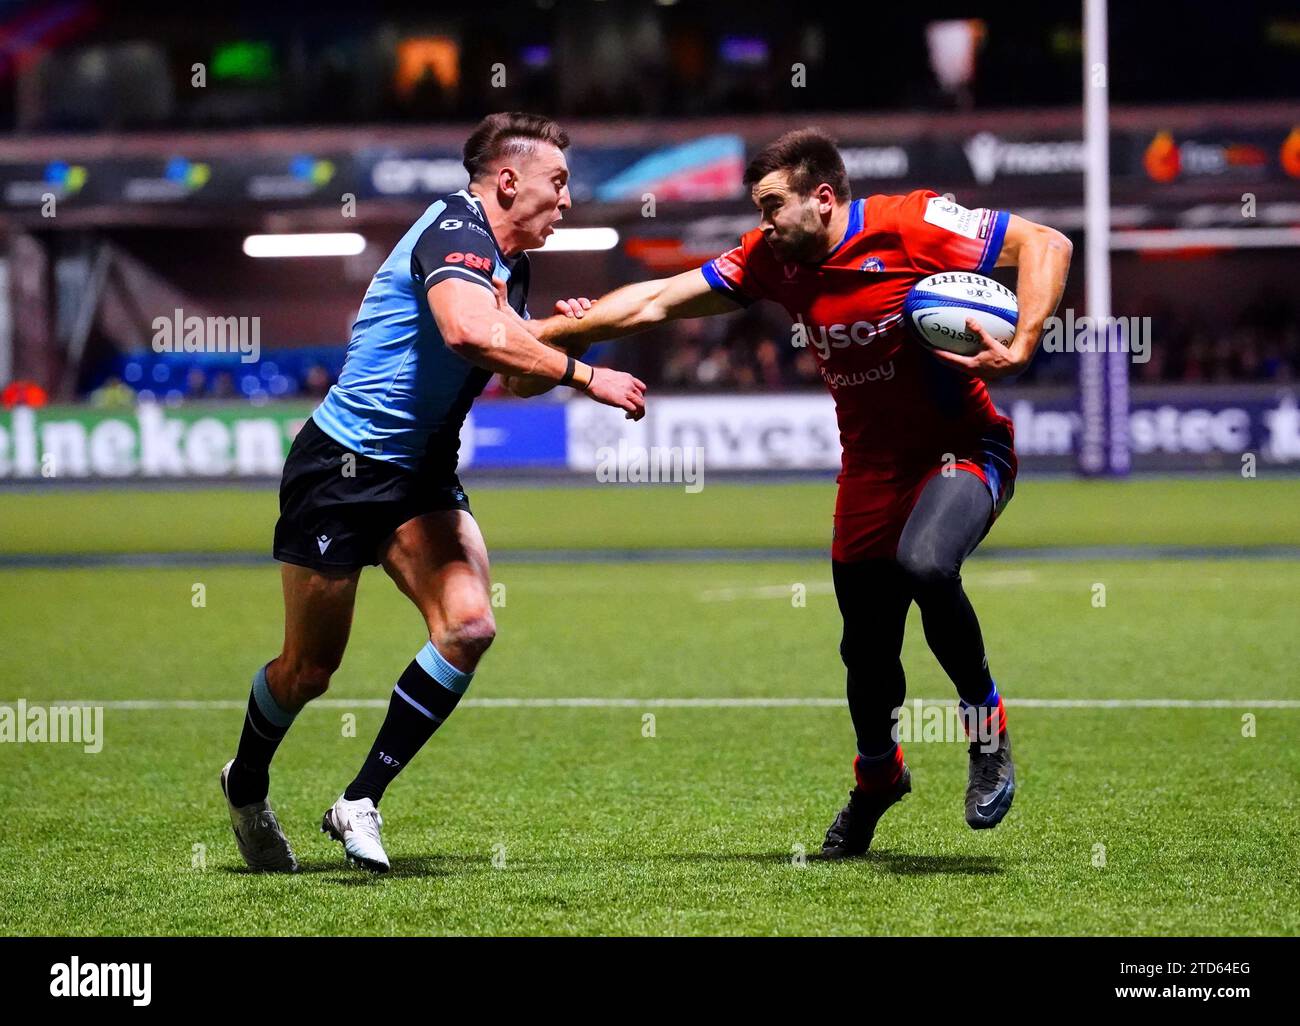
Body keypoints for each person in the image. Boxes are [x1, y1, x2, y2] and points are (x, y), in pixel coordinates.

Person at [509, 127, 1072, 857]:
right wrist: (559, 332)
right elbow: (657, 300)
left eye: (774, 205)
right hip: (870, 472)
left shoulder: (911, 223)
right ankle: (878, 779)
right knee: (866, 656)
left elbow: (1046, 243)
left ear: (824, 197)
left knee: (928, 564)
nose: (764, 221)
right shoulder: (771, 259)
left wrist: (1024, 341)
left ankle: (985, 729)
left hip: (963, 448)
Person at [219, 112, 647, 873]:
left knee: (471, 626)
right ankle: (247, 785)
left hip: (422, 476)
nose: (569, 200)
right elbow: (465, 333)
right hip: (343, 469)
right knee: (309, 671)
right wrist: (587, 375)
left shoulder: (511, 264)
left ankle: (360, 800)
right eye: (559, 182)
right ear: (507, 182)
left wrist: (559, 337)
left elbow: (510, 373)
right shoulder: (453, 229)